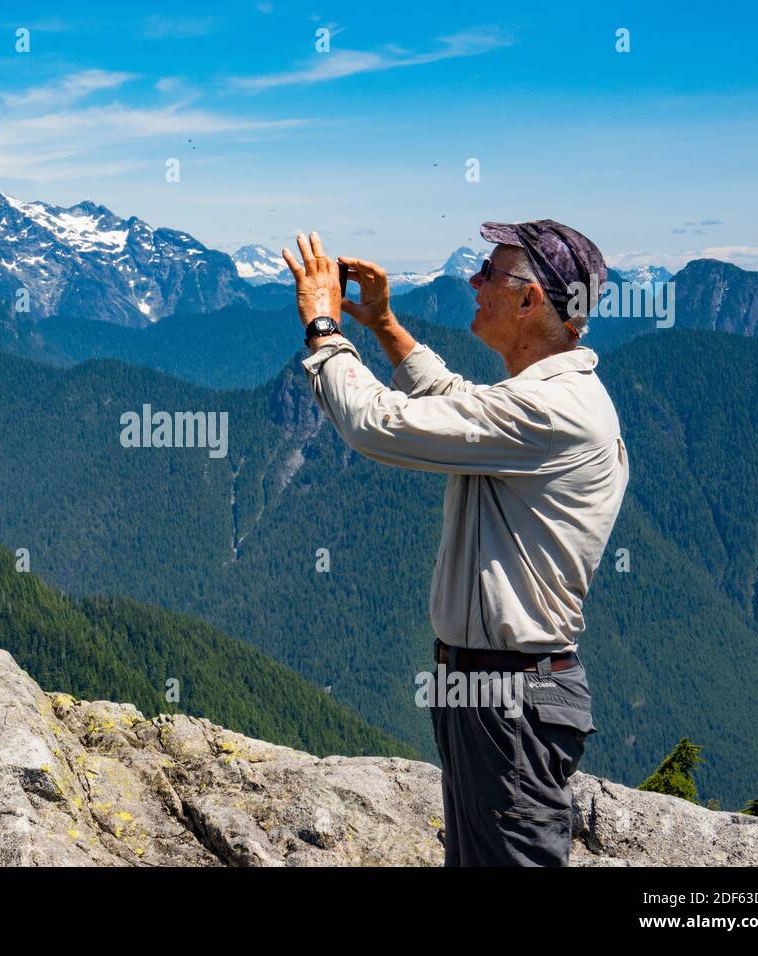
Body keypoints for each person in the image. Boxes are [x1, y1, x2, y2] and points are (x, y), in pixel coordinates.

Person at [281, 220, 629, 866]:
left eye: (489, 273)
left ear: (530, 300)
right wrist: (384, 326)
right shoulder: (548, 399)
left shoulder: (556, 410)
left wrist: (325, 330)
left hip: (509, 697)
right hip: (497, 692)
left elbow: (374, 426)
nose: (472, 281)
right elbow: (459, 402)